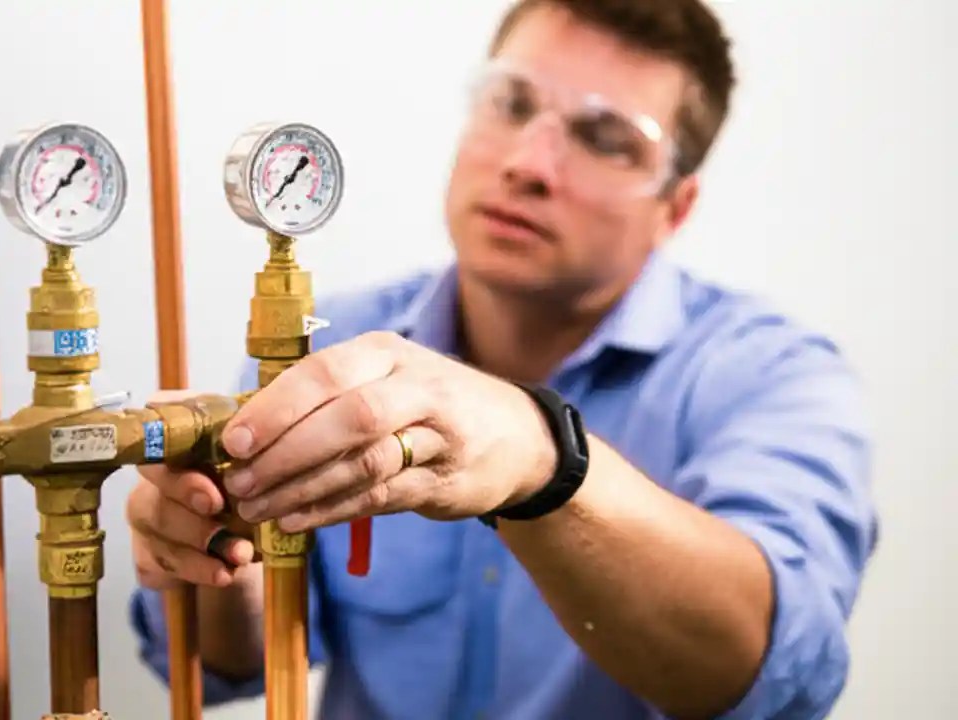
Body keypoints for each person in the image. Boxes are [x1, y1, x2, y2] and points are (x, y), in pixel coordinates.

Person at [126, 0, 878, 717]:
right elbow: (231, 663)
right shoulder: (331, 345)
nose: (528, 163)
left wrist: (541, 457)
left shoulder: (769, 377)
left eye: (605, 138)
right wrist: (223, 561)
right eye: (512, 104)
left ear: (674, 209)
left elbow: (779, 678)